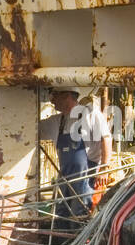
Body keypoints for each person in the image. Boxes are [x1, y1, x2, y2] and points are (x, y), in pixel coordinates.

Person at [39, 88, 112, 224]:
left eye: (54, 95)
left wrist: (104, 169)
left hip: (87, 177)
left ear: (67, 96)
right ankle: (63, 244)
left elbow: (106, 139)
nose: (52, 101)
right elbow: (32, 128)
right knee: (61, 215)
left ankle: (82, 244)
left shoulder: (90, 114)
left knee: (82, 214)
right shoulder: (57, 121)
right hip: (65, 178)